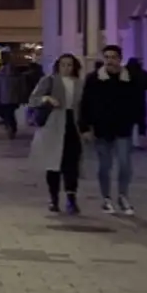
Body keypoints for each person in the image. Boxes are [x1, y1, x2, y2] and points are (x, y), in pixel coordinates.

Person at [80, 44, 144, 215]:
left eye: (114, 57)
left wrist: (141, 125)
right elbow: (85, 104)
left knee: (125, 165)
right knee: (104, 166)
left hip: (123, 128)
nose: (110, 61)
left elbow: (139, 102)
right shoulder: (94, 79)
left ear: (120, 59)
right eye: (107, 57)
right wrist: (85, 127)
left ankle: (123, 196)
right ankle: (106, 198)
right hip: (102, 129)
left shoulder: (130, 78)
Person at [29, 53, 86, 214]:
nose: (66, 68)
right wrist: (47, 98)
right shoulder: (50, 80)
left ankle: (71, 199)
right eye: (63, 65)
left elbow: (84, 106)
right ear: (58, 66)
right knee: (53, 164)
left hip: (73, 125)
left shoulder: (80, 84)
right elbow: (33, 99)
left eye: (69, 65)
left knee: (71, 165)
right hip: (53, 125)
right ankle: (53, 199)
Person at [0, 59, 23, 139]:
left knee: (5, 113)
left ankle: (10, 126)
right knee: (10, 113)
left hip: (3, 99)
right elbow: (22, 88)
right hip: (14, 99)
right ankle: (12, 127)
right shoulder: (18, 76)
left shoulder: (0, 76)